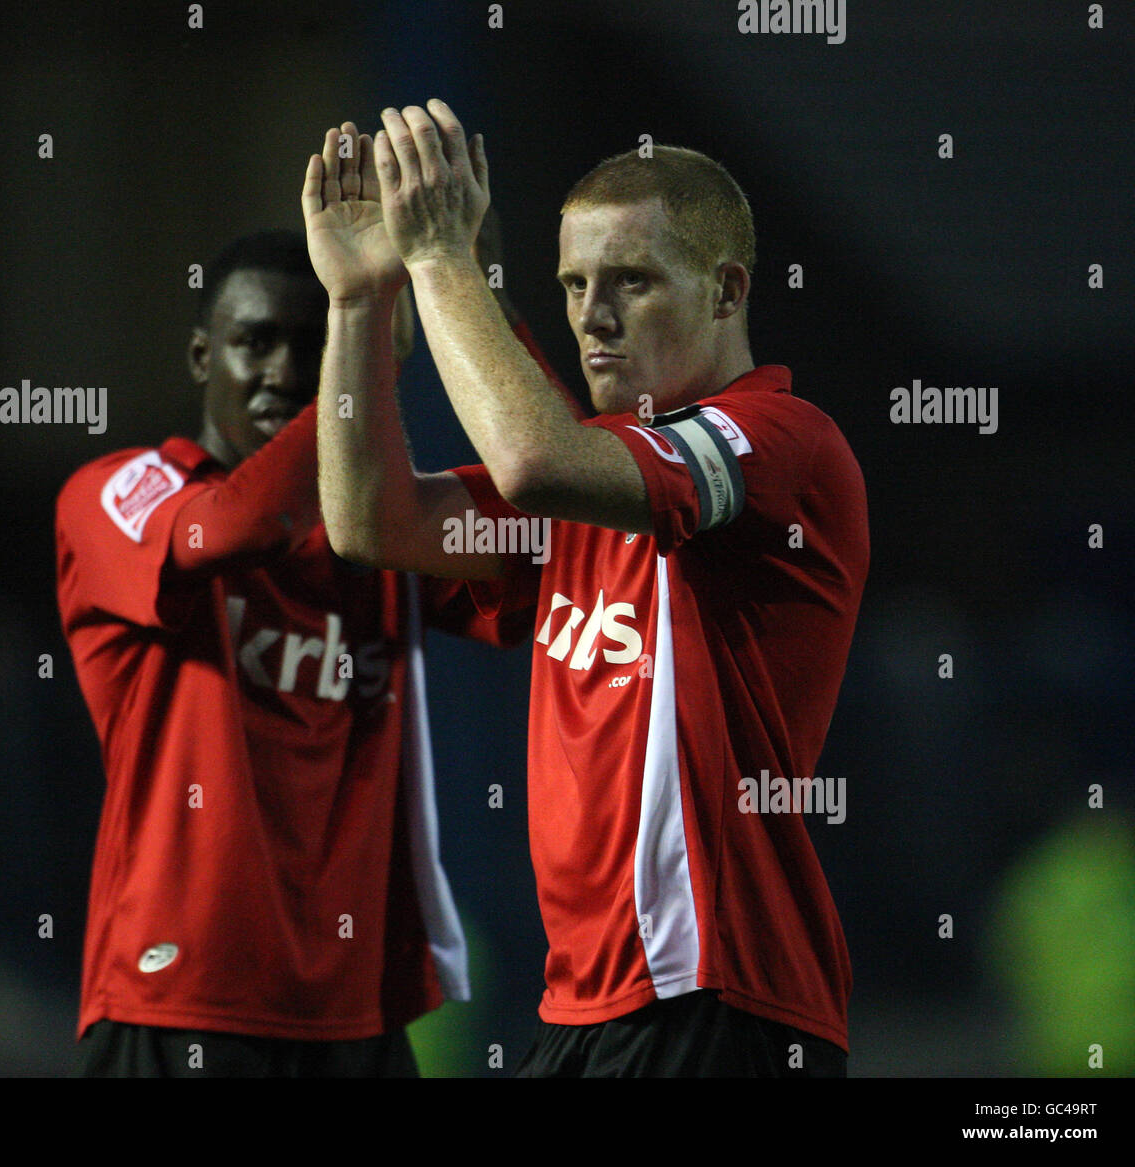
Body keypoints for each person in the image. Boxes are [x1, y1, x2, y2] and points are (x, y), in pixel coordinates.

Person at [304, 102, 869, 1077]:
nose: (591, 317)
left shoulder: (781, 441)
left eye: (632, 281)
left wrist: (440, 258)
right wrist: (357, 303)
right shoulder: (592, 480)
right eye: (571, 284)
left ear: (726, 290)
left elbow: (530, 458)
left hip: (720, 998)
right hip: (583, 1010)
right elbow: (370, 522)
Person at [54, 221, 551, 1077]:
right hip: (181, 1006)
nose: (284, 371)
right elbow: (231, 527)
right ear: (202, 356)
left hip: (355, 1019)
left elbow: (552, 540)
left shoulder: (375, 530)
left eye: (312, 344)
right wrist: (364, 344)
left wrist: (471, 278)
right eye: (255, 342)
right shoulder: (119, 495)